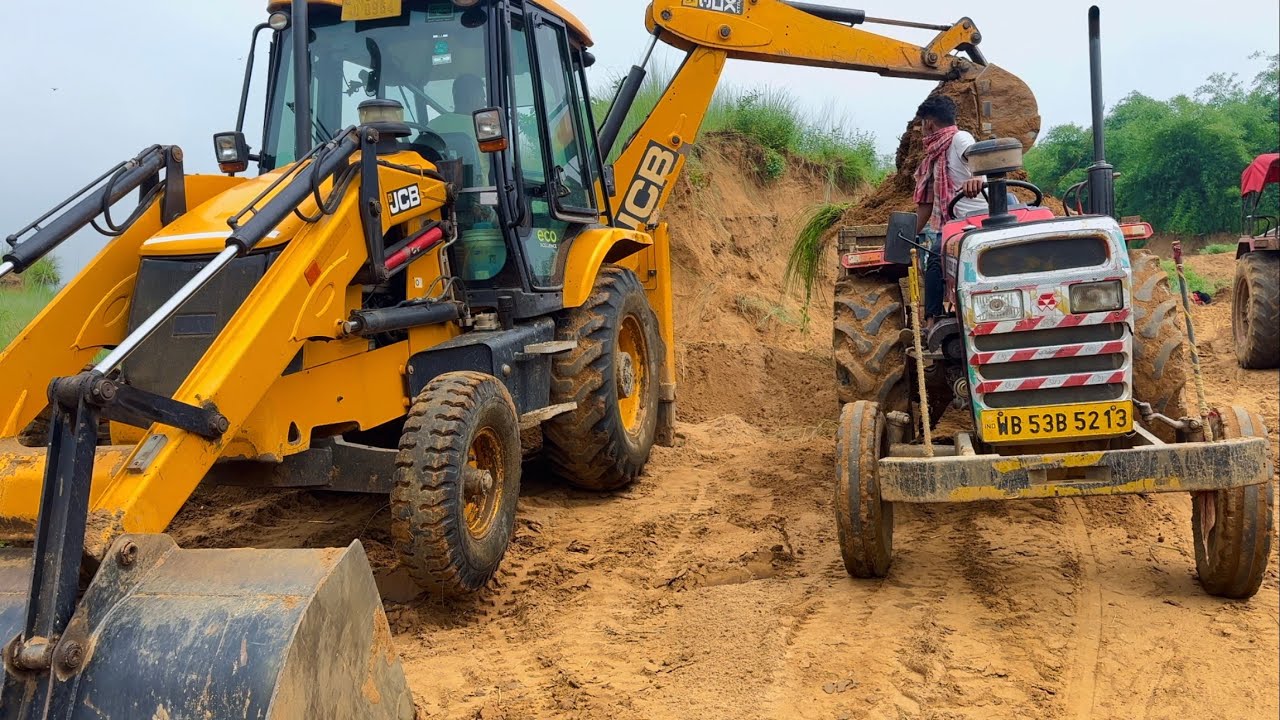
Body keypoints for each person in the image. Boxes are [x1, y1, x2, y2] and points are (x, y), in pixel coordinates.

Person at [911, 94, 985, 330]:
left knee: (936, 256)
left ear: (929, 124)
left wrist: (976, 178)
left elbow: (977, 158)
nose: (922, 132)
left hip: (979, 219)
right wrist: (907, 235)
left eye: (922, 125)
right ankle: (932, 321)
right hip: (953, 224)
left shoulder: (959, 139)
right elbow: (926, 204)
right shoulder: (934, 159)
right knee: (934, 258)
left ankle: (932, 319)